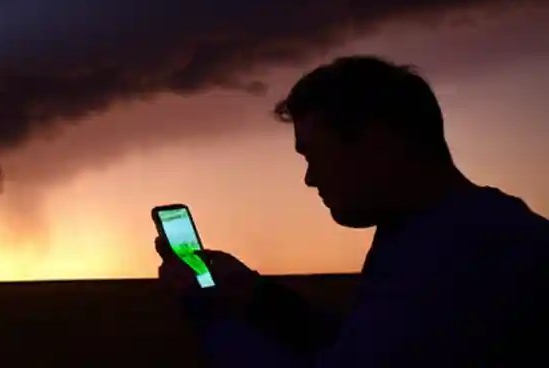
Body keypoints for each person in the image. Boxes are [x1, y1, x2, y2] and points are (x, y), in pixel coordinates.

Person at [156, 55, 549, 366]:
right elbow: (366, 344)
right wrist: (258, 298)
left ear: (377, 143)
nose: (310, 179)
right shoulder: (441, 229)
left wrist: (207, 315)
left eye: (314, 155)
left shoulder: (462, 257)